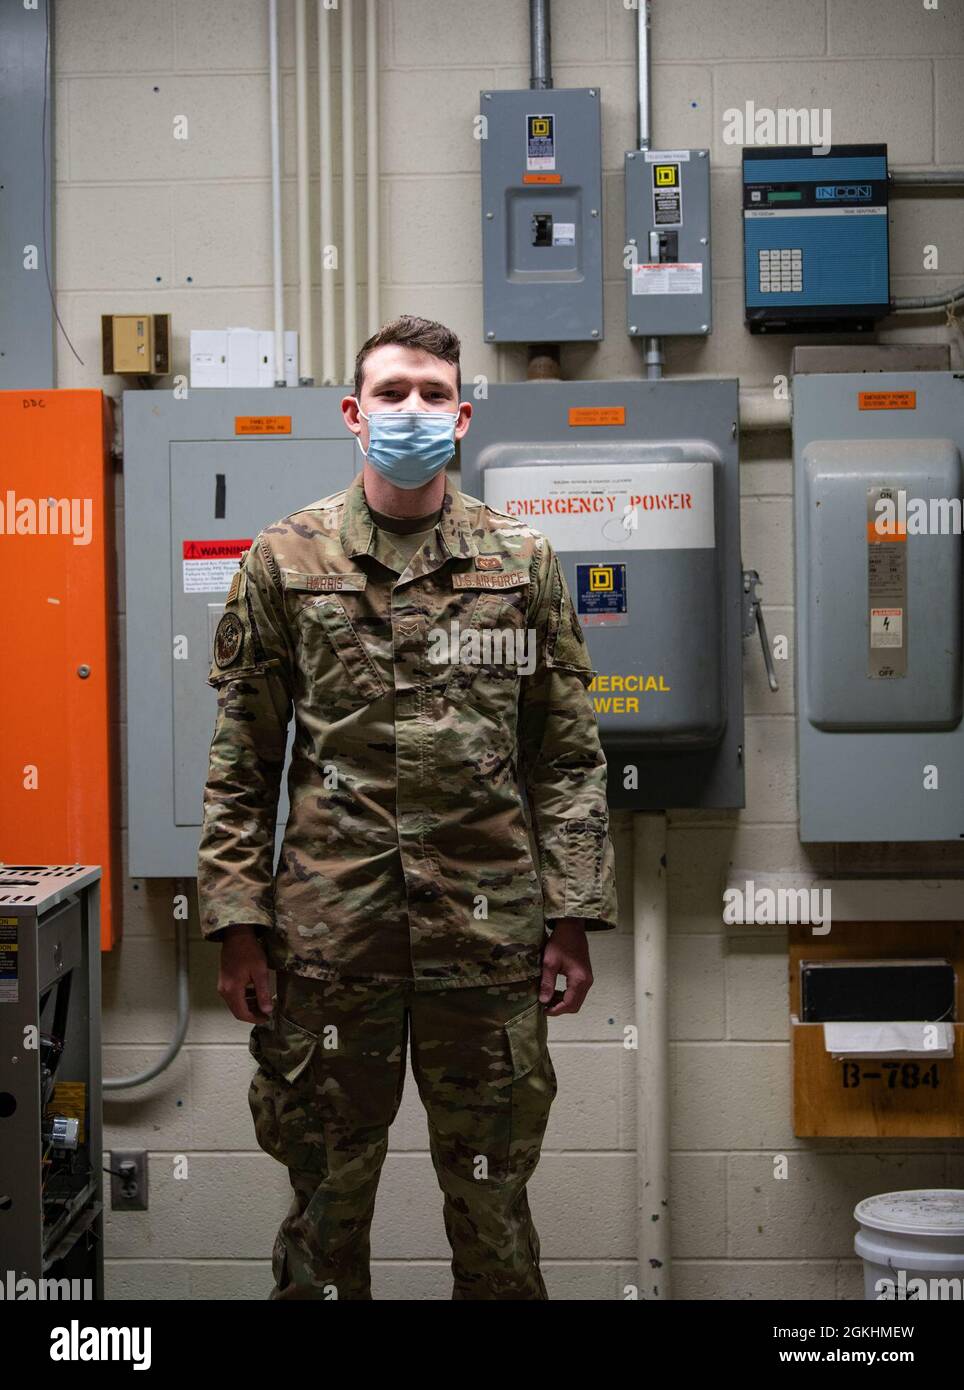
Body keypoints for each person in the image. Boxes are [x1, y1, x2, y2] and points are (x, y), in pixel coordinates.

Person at [196, 314, 618, 1300]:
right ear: (353, 413)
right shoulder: (284, 562)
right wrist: (237, 928)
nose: (413, 411)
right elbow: (241, 764)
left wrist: (571, 916)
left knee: (494, 1219)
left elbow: (563, 757)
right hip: (331, 948)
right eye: (392, 393)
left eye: (433, 394)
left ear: (462, 415)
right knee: (324, 1219)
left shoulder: (522, 559)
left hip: (489, 945)